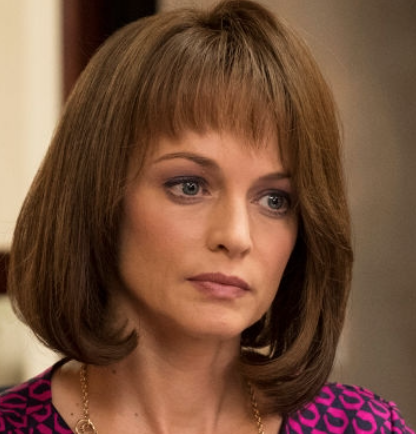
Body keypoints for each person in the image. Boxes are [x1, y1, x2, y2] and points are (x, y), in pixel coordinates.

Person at [0, 1, 413, 433]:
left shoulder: (362, 426)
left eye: (274, 200)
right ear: (96, 195)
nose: (236, 236)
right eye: (189, 186)